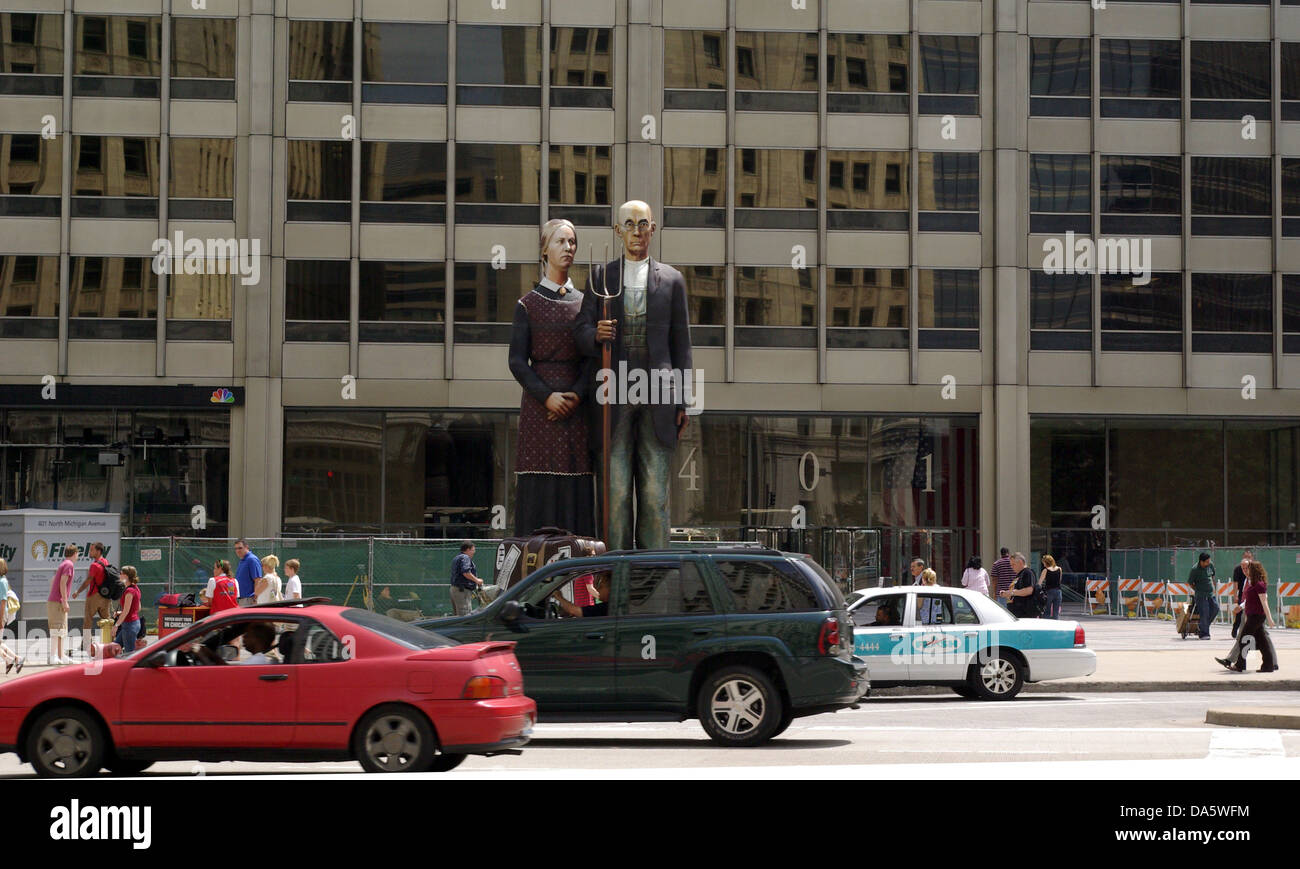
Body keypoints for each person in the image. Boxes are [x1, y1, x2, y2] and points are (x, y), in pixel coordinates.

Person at [575, 199, 693, 550]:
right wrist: (597, 333)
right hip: (613, 392)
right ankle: (614, 572)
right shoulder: (600, 277)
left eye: (643, 224)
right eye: (629, 224)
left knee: (655, 491)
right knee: (615, 490)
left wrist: (683, 400)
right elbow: (579, 333)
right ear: (618, 231)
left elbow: (682, 344)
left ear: (653, 230)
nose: (637, 231)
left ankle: (654, 574)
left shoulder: (672, 280)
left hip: (659, 391)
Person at [509, 218, 596, 537]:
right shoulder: (526, 305)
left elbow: (593, 358)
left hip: (577, 412)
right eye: (561, 241)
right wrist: (547, 396)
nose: (568, 248)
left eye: (572, 242)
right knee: (539, 490)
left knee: (576, 488)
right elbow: (517, 361)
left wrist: (576, 394)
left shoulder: (587, 303)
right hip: (538, 412)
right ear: (545, 249)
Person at [1221, 560, 1278, 673]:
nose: (1246, 571)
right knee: (1262, 642)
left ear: (1255, 570)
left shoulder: (1259, 584)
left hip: (1257, 616)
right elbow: (1249, 601)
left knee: (1244, 639)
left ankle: (1240, 665)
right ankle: (1268, 665)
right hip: (1252, 616)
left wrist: (1270, 619)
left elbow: (1264, 602)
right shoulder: (1253, 583)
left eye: (1249, 569)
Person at [73, 541, 115, 655]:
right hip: (105, 596)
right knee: (107, 620)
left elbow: (88, 581)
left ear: (98, 551)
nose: (90, 552)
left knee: (88, 620)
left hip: (94, 596)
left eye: (92, 550)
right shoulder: (105, 562)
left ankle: (86, 644)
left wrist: (78, 591)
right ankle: (110, 642)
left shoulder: (94, 565)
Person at [46, 543, 77, 665]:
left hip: (55, 600)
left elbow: (54, 580)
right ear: (75, 554)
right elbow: (63, 583)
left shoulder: (63, 564)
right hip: (57, 601)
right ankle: (53, 656)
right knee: (57, 628)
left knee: (61, 629)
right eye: (77, 554)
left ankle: (61, 655)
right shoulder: (69, 565)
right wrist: (64, 601)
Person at [195, 622, 277, 665]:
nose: (243, 637)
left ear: (258, 639)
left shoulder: (256, 661)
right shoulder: (260, 659)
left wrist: (202, 656)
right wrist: (213, 656)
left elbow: (228, 678)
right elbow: (230, 672)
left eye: (248, 634)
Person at [1188, 551, 1218, 640]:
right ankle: (1204, 634)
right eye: (1207, 562)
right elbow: (1190, 583)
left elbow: (1213, 576)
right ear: (1201, 561)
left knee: (1216, 609)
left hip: (1211, 594)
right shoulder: (1195, 570)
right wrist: (1197, 590)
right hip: (1201, 596)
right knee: (1204, 613)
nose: (1209, 563)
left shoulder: (1210, 565)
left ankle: (1202, 626)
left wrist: (1213, 586)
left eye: (1209, 561)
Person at [0, 558, 23, 674]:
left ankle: (10, 660)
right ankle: (15, 659)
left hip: (1, 614)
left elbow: (3, 601)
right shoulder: (2, 580)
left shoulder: (2, 582)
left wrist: (0, 619)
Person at [113, 567, 143, 654]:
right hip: (134, 623)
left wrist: (116, 626)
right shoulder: (135, 588)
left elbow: (126, 611)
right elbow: (138, 608)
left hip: (129, 625)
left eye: (121, 573)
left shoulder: (129, 591)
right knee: (114, 648)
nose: (119, 575)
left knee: (129, 654)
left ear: (126, 576)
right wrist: (120, 613)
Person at [449, 542, 483, 616]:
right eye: (473, 550)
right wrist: (477, 580)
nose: (474, 552)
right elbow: (466, 572)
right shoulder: (465, 557)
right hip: (462, 591)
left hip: (455, 589)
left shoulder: (457, 557)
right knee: (464, 616)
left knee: (457, 617)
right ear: (467, 549)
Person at [1000, 552, 1038, 617]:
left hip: (1024, 613)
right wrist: (1007, 593)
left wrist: (1011, 593)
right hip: (1017, 612)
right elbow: (1017, 591)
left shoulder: (1027, 572)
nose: (1011, 567)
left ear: (1020, 562)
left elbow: (1029, 590)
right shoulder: (1020, 574)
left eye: (1013, 564)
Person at [233, 539, 262, 606]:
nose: (238, 550)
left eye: (240, 548)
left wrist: (255, 599)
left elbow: (257, 580)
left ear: (246, 547)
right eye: (236, 548)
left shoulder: (252, 559)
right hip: (242, 599)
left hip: (249, 599)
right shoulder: (242, 560)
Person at [1230, 550, 1252, 639]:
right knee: (1239, 612)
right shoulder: (1238, 569)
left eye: (1249, 557)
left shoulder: (1254, 569)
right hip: (1242, 593)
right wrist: (1235, 595)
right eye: (1245, 557)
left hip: (1251, 592)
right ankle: (1235, 629)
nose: (1247, 558)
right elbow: (1235, 583)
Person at [1039, 554, 1063, 619]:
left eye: (1043, 562)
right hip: (1058, 592)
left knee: (1047, 612)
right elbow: (1059, 581)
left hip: (1049, 592)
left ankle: (1047, 627)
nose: (1043, 564)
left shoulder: (1045, 570)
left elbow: (1039, 583)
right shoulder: (1059, 569)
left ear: (1046, 562)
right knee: (1056, 612)